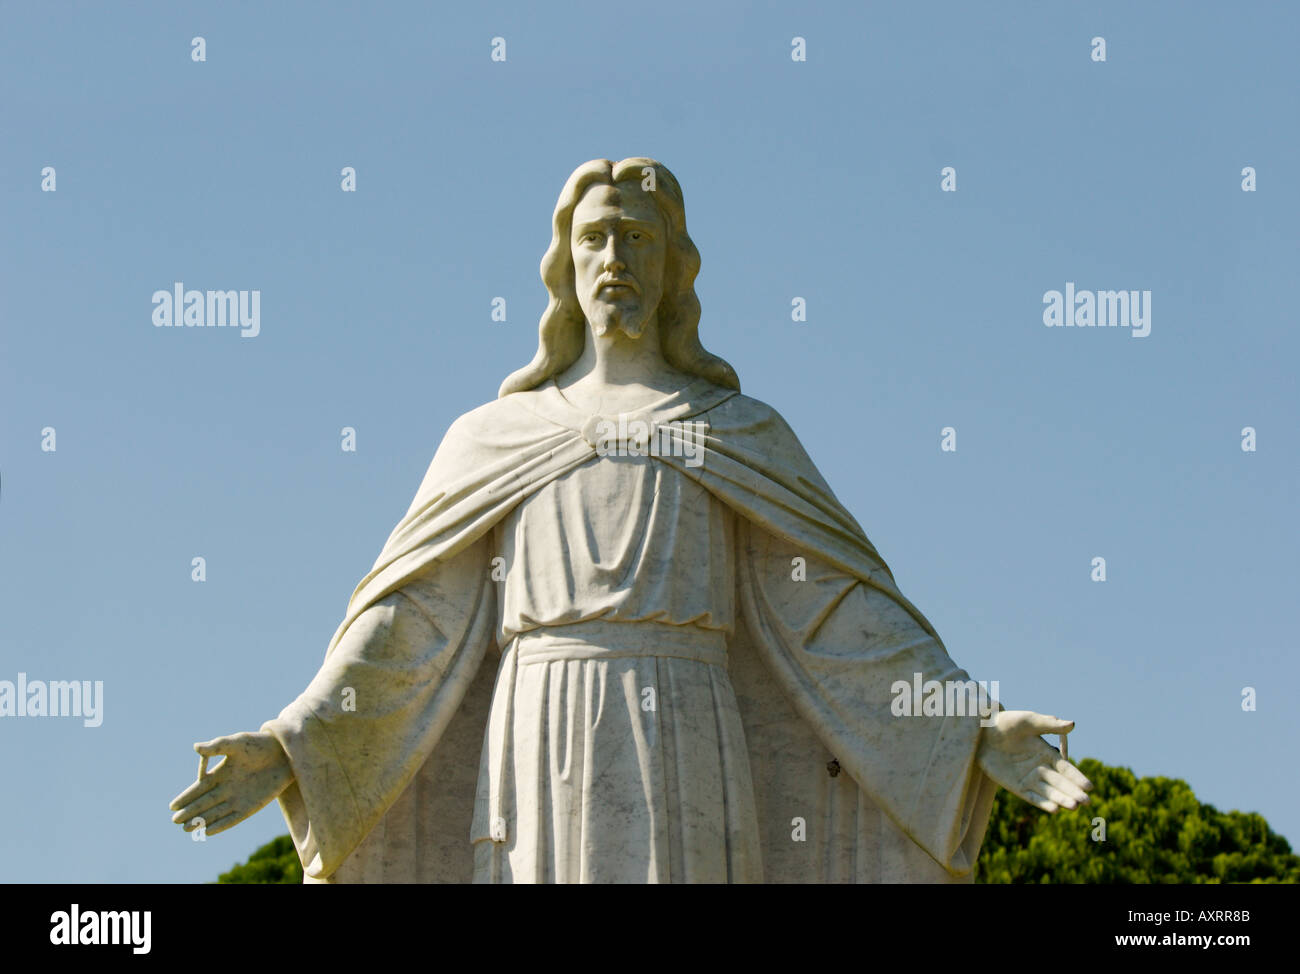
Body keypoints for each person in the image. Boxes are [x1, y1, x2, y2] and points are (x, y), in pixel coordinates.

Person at [170, 157, 1091, 883]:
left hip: (688, 732)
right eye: (598, 238)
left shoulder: (734, 432)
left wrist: (965, 724)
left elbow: (835, 616)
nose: (616, 259)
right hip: (538, 729)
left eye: (638, 239)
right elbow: (413, 626)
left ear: (672, 266)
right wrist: (295, 739)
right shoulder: (495, 437)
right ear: (567, 268)